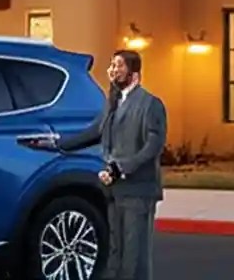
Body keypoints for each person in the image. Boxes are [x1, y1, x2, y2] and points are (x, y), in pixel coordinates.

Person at [28, 49, 166, 280]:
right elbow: (93, 133)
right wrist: (56, 144)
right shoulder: (113, 103)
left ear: (134, 74)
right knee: (115, 252)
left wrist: (120, 168)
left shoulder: (150, 104)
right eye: (111, 65)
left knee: (134, 254)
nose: (112, 70)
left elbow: (153, 146)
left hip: (138, 191)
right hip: (114, 190)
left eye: (118, 66)